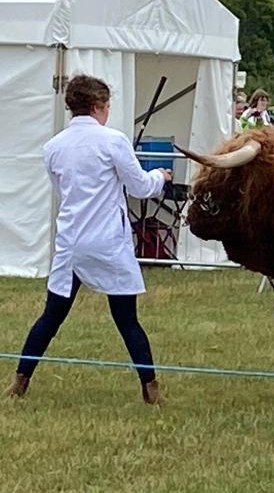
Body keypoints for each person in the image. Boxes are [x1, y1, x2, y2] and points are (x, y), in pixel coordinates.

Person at [4, 75, 171, 404]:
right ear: (97, 107)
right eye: (107, 106)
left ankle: (19, 383)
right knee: (127, 320)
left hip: (70, 243)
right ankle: (151, 390)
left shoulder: (53, 147)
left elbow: (62, 191)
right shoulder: (113, 141)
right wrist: (159, 178)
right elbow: (139, 186)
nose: (108, 112)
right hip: (107, 243)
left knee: (51, 316)